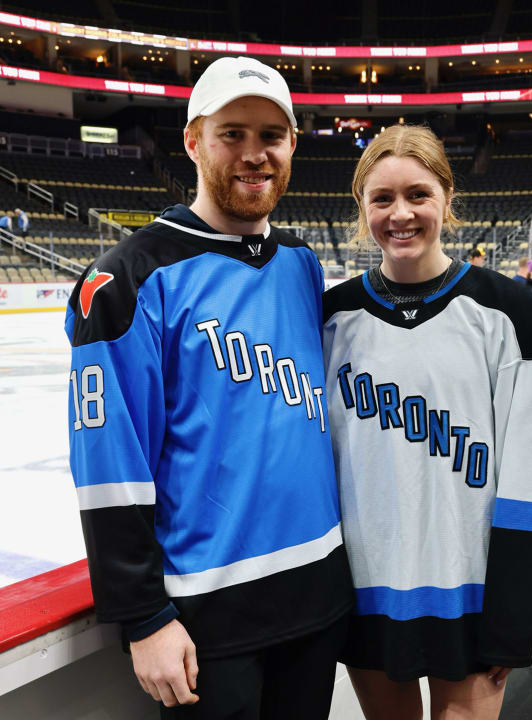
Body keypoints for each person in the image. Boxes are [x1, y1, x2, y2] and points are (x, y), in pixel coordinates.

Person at [64, 56, 352, 718]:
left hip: (317, 599)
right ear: (194, 141)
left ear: (292, 146)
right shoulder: (126, 280)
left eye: (271, 136)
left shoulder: (301, 263)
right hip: (207, 618)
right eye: (232, 134)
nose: (254, 154)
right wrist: (143, 617)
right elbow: (109, 466)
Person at [324, 124, 532, 720]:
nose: (400, 214)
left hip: (473, 592)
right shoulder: (330, 317)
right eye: (382, 198)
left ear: (447, 198)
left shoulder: (509, 312)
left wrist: (512, 614)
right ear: (362, 207)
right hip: (365, 588)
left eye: (418, 195)